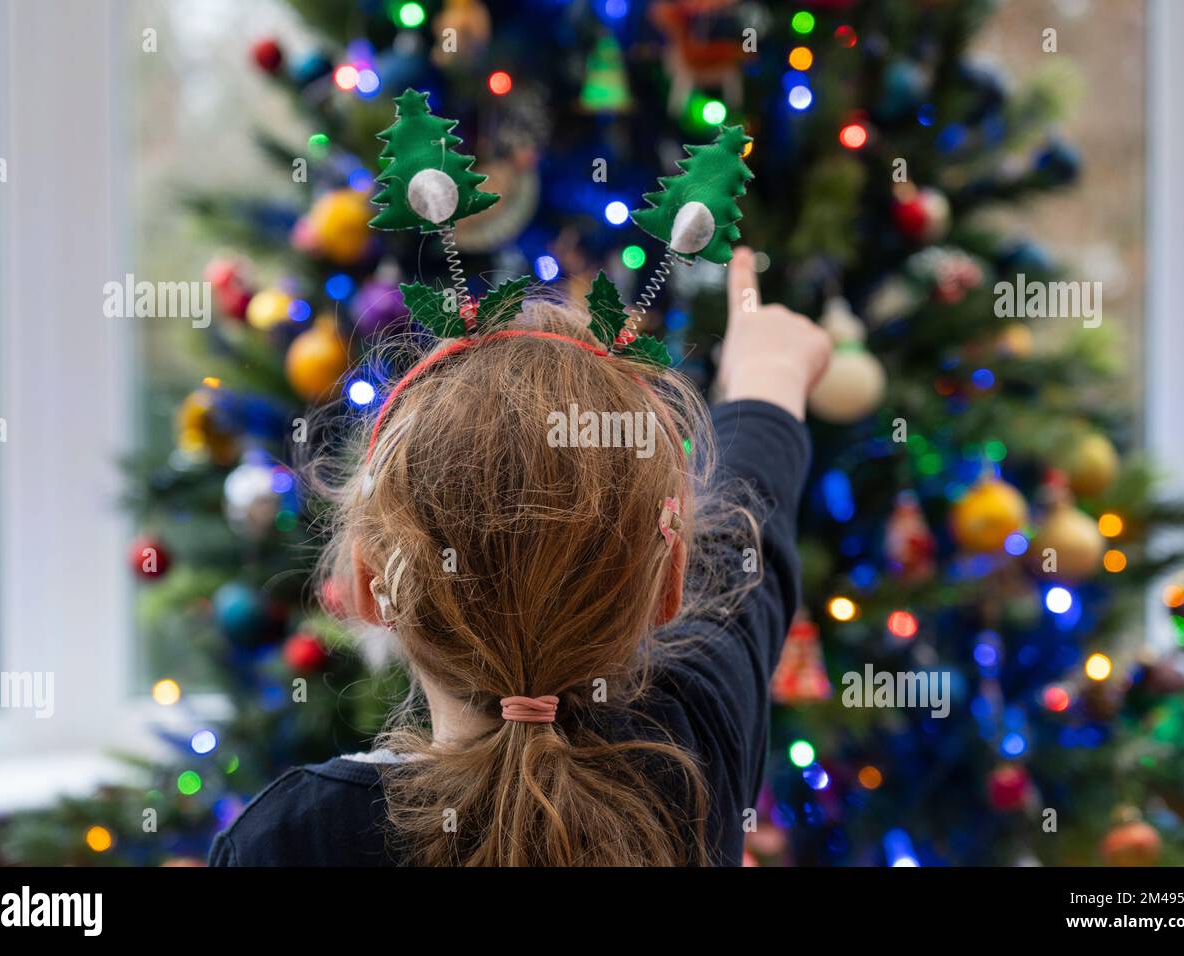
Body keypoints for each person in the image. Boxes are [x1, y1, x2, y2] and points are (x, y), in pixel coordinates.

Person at [209, 247, 831, 866]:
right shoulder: (693, 755)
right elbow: (747, 548)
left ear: (372, 584)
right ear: (671, 582)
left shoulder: (289, 840)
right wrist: (768, 375)